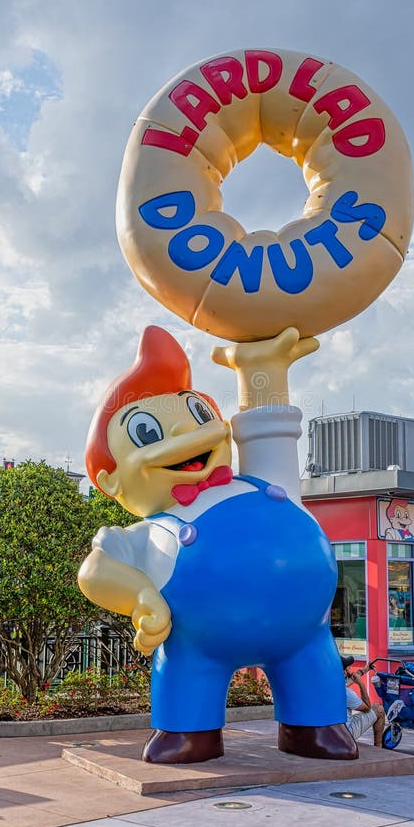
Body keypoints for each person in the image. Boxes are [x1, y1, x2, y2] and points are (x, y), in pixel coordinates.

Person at [78, 325, 357, 764]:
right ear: (110, 479)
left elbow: (269, 429)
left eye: (198, 414)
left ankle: (314, 723)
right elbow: (95, 570)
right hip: (199, 642)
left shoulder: (262, 477)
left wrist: (262, 367)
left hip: (303, 634)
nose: (192, 436)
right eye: (149, 433)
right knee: (190, 673)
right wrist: (141, 595)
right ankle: (189, 732)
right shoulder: (148, 532)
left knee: (311, 674)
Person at [342, 657, 385, 746]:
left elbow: (349, 681)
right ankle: (378, 749)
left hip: (331, 731)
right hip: (345, 734)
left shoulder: (327, 684)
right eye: (348, 667)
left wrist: (364, 670)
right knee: (379, 709)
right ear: (343, 673)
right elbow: (367, 708)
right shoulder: (347, 693)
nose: (351, 668)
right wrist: (361, 683)